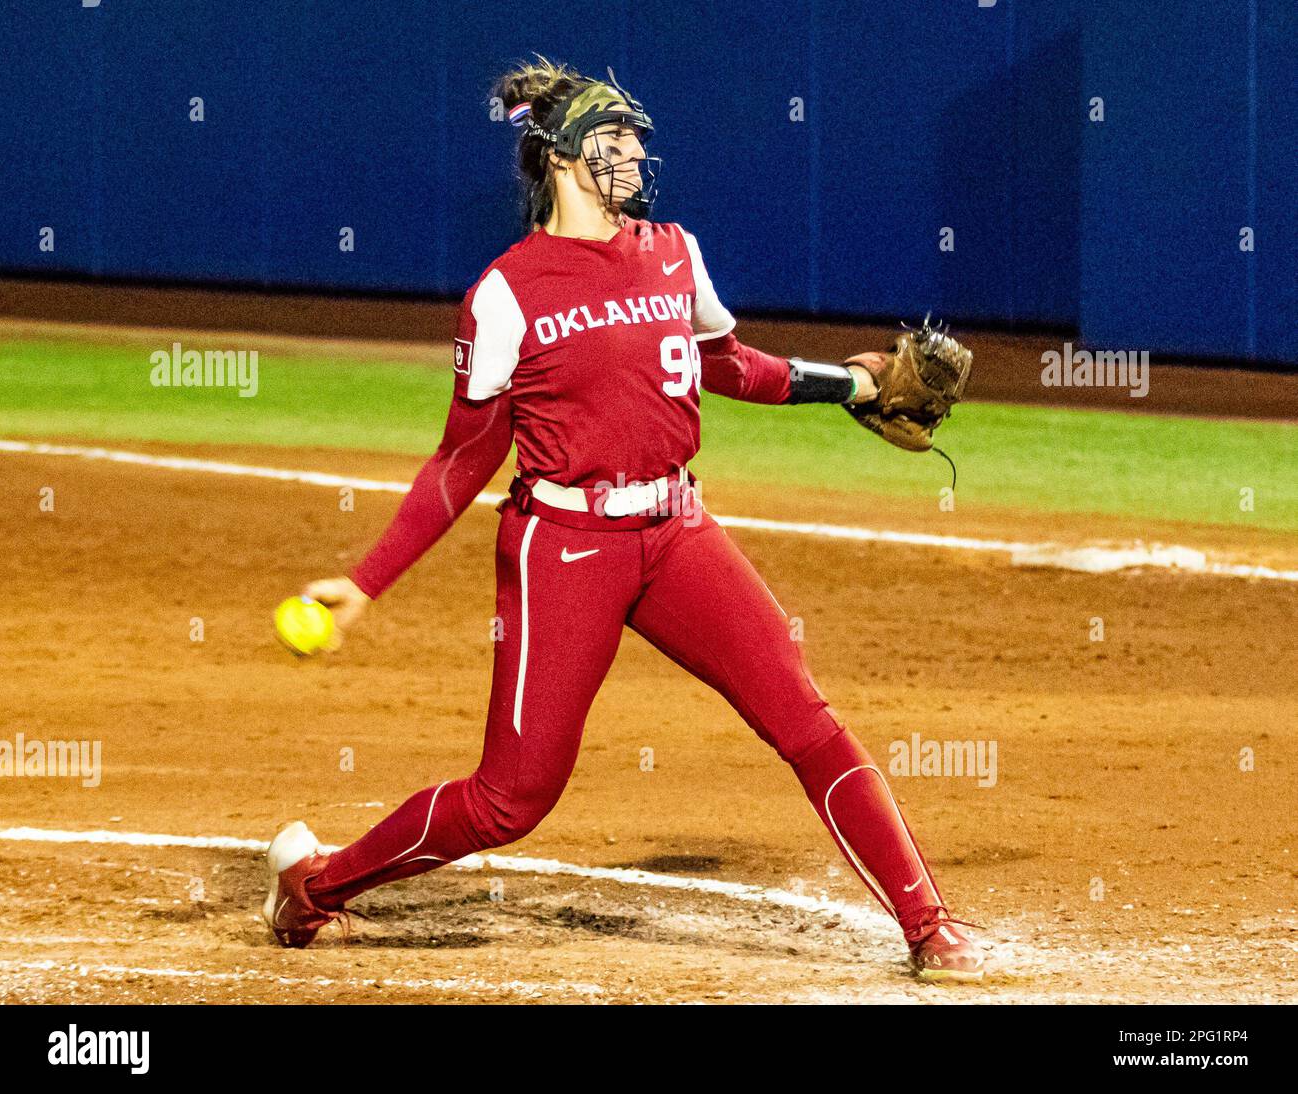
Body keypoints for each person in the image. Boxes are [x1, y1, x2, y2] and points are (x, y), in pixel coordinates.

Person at [262, 56, 985, 983]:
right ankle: (314, 888)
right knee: (510, 801)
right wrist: (364, 583)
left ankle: (929, 926)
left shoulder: (672, 250)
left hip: (677, 531)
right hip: (563, 546)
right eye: (614, 139)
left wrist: (849, 383)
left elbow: (728, 366)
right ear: (562, 160)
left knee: (805, 719)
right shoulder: (507, 292)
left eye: (637, 137)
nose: (636, 153)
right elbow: (463, 459)